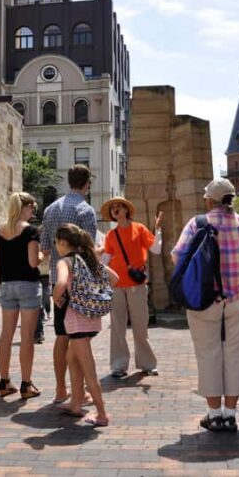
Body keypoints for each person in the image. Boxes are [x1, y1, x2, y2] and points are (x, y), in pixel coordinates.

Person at [172, 178, 239, 433]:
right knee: (236, 353)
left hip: (205, 297)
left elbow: (177, 255)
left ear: (210, 200)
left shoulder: (198, 223)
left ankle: (214, 414)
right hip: (238, 296)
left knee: (207, 353)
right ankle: (230, 415)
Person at [40, 164, 97, 404]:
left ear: (68, 180)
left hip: (57, 281)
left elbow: (44, 249)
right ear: (87, 184)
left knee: (62, 336)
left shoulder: (50, 209)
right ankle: (79, 391)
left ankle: (61, 389)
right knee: (79, 339)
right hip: (78, 283)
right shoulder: (86, 210)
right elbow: (90, 250)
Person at [52, 224, 118, 427]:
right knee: (71, 358)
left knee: (89, 369)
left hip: (77, 321)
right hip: (92, 319)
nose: (55, 246)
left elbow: (61, 283)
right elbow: (115, 278)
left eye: (56, 242)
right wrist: (94, 293)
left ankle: (102, 414)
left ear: (63, 243)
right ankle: (75, 403)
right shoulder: (88, 259)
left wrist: (56, 297)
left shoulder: (65, 261)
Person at [100, 197, 162, 378]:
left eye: (119, 206)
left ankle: (147, 364)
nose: (115, 209)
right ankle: (118, 365)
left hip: (136, 283)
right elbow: (106, 259)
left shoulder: (139, 228)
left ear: (126, 210)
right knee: (117, 326)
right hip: (116, 284)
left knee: (140, 325)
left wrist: (158, 229)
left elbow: (156, 249)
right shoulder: (111, 235)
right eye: (113, 208)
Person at [0, 192, 43, 399]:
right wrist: (42, 255)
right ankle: (26, 384)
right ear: (25, 207)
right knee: (26, 336)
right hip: (28, 284)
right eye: (32, 208)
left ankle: (4, 381)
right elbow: (33, 262)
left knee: (6, 334)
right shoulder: (30, 231)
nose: (33, 212)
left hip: (7, 285)